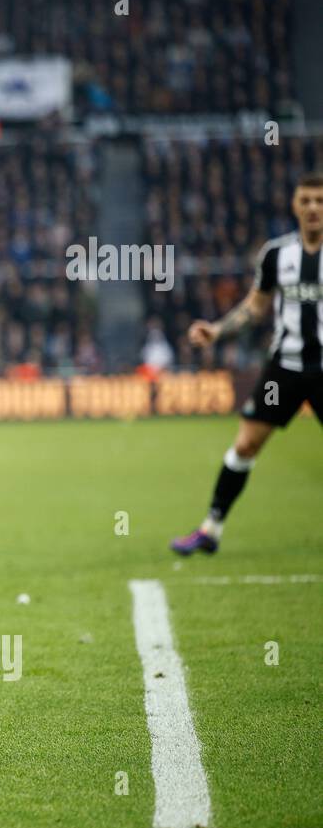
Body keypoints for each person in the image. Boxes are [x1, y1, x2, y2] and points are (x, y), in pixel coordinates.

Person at [171, 172, 323, 555]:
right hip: (283, 371)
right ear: (294, 205)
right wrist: (218, 331)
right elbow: (256, 308)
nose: (313, 209)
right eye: (305, 200)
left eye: (319, 201)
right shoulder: (276, 254)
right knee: (246, 443)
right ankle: (211, 528)